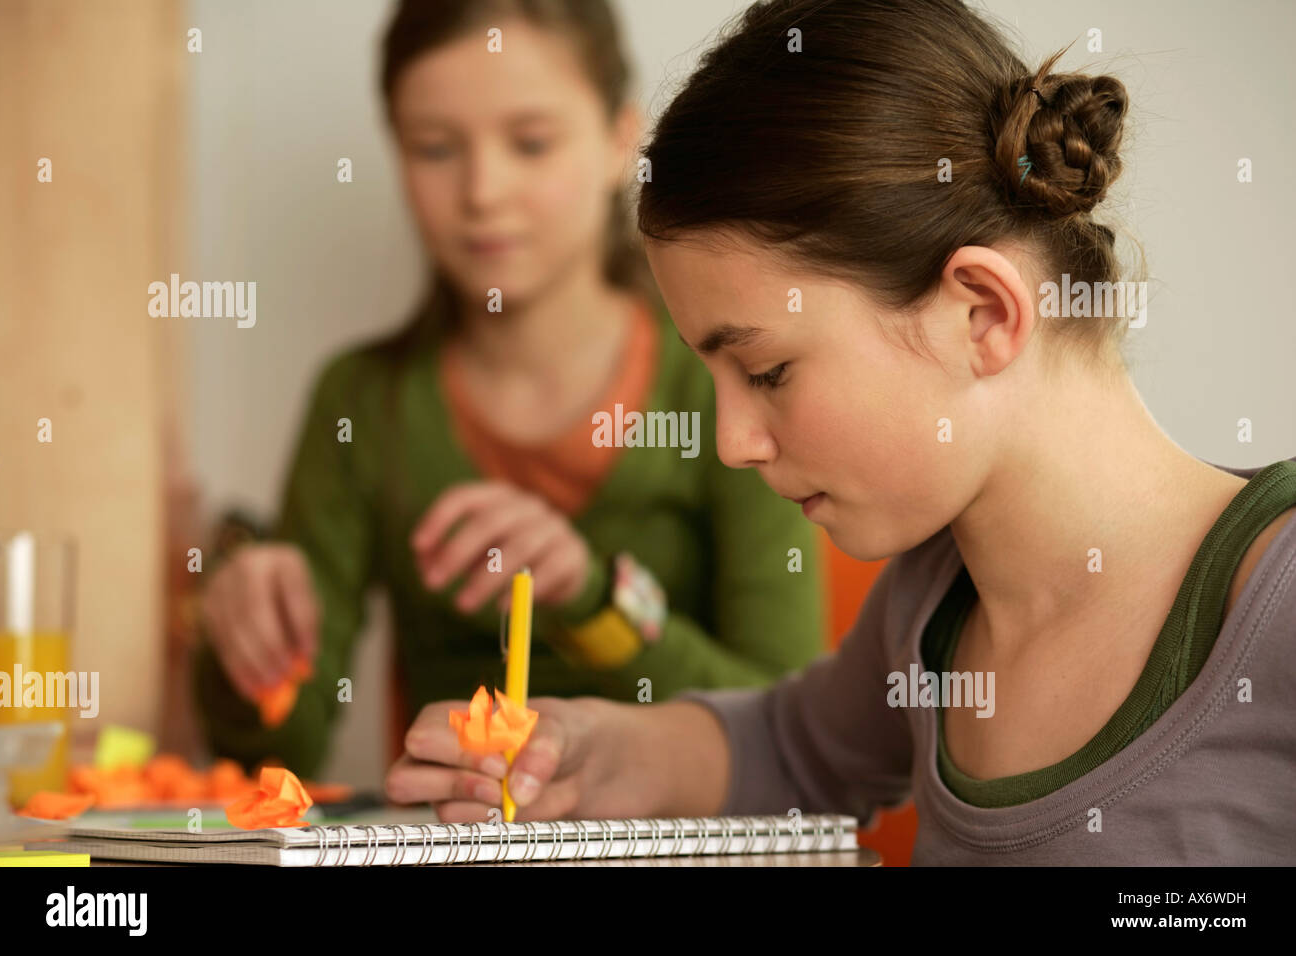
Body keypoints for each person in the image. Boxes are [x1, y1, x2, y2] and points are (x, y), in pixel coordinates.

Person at [387, 0, 1296, 864]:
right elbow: (790, 750)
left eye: (769, 372)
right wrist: (595, 748)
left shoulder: (1277, 600)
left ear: (981, 314)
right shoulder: (930, 597)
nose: (732, 443)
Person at [192, 0, 824, 780]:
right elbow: (277, 758)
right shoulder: (360, 402)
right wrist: (239, 641)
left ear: (620, 142)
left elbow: (798, 732)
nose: (483, 190)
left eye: (530, 143)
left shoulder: (722, 376)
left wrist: (594, 602)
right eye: (433, 148)